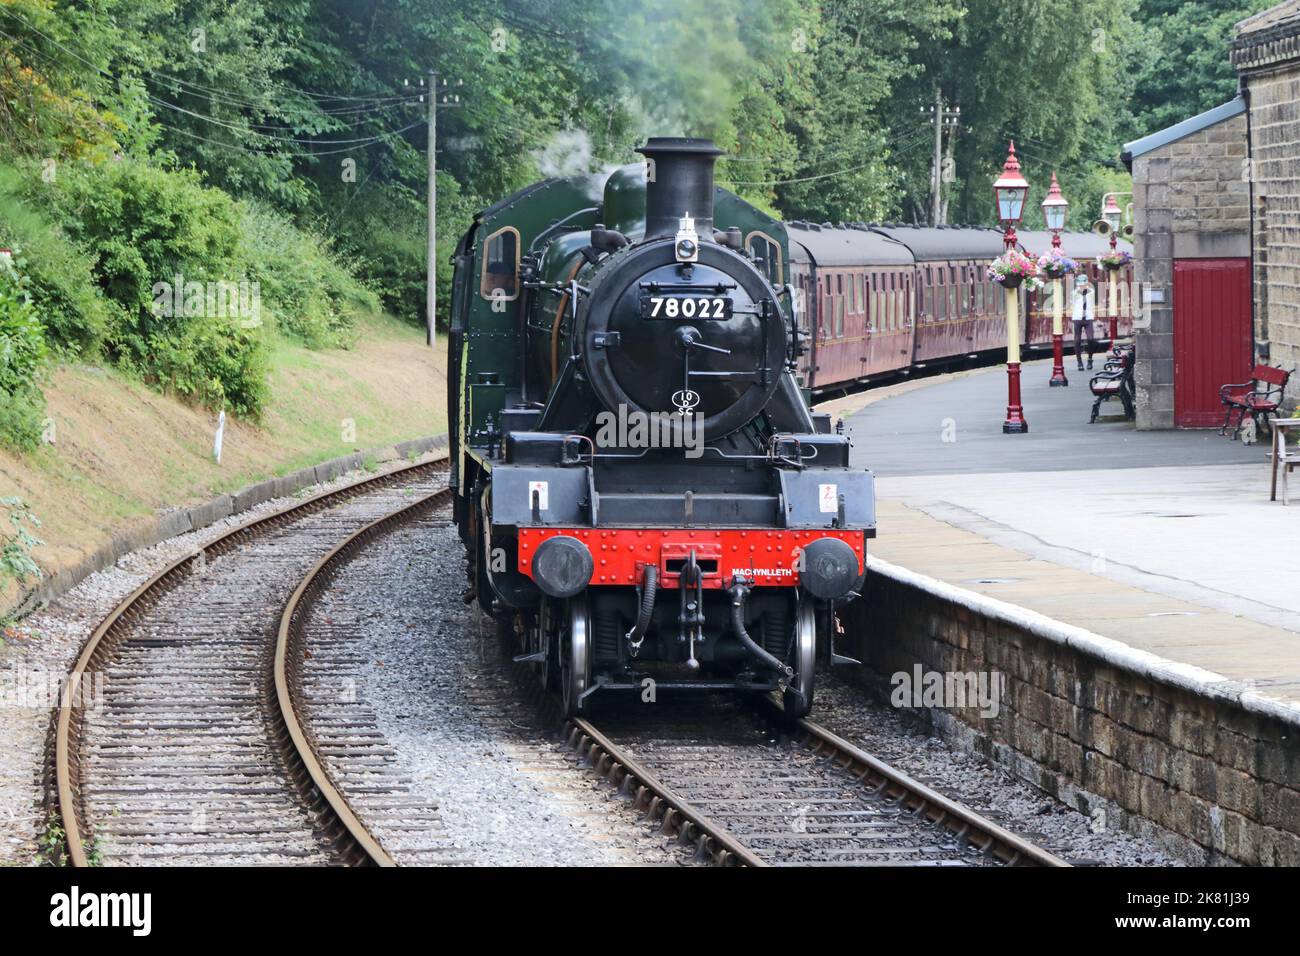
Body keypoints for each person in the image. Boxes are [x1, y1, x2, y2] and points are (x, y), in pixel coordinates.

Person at [1071, 273, 1097, 371]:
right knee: (1077, 340)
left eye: (1084, 284)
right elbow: (1072, 303)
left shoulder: (1091, 292)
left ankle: (1090, 359)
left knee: (1090, 339)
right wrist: (1078, 291)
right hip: (1077, 318)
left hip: (1088, 318)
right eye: (1080, 284)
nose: (1082, 286)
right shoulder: (1074, 293)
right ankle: (1079, 362)